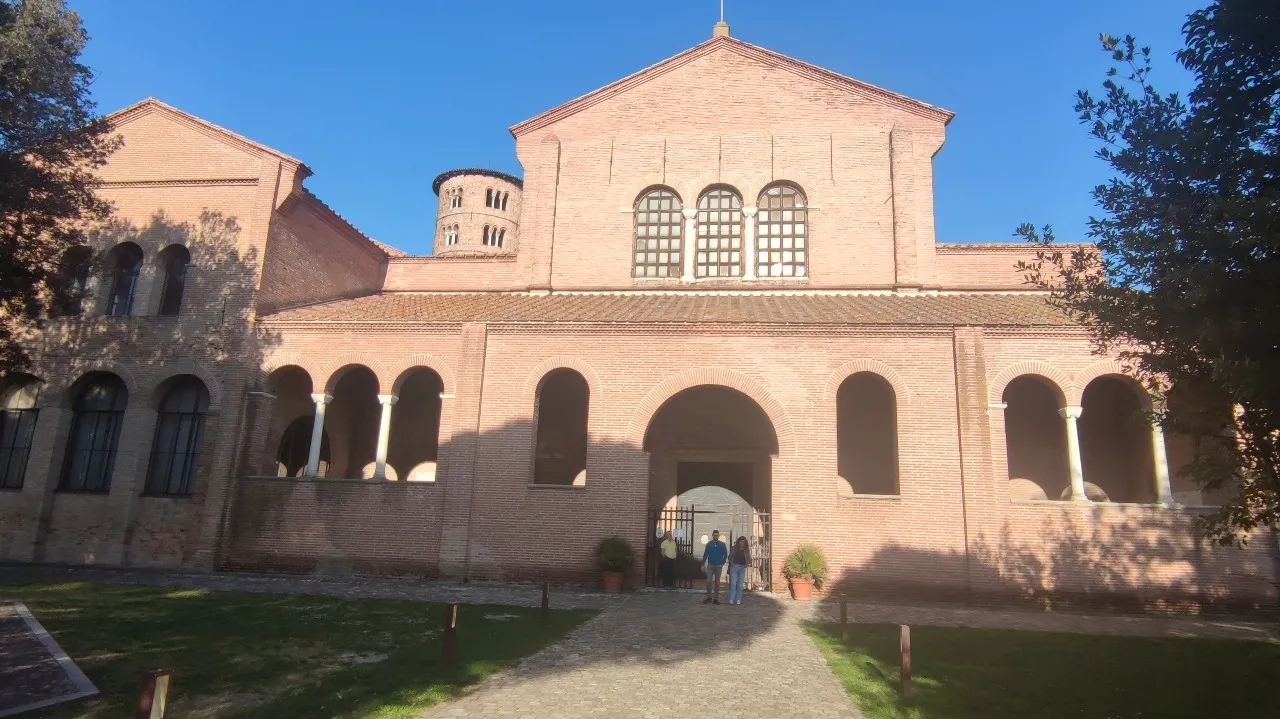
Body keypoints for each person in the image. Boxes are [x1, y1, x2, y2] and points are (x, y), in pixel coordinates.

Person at [701, 530, 728, 604]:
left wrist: (722, 562)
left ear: (718, 536)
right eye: (714, 535)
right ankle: (709, 597)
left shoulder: (722, 544)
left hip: (718, 565)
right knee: (708, 581)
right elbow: (705, 554)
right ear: (712, 535)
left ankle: (716, 598)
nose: (716, 536)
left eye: (717, 535)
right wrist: (702, 563)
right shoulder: (709, 544)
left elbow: (725, 554)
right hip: (711, 565)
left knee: (717, 582)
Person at [728, 536, 751, 605]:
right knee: (733, 583)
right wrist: (732, 563)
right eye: (741, 542)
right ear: (739, 542)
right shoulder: (734, 548)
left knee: (740, 584)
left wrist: (747, 564)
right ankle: (732, 599)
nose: (742, 543)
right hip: (734, 567)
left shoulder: (746, 550)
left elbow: (749, 558)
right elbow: (730, 557)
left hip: (742, 568)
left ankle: (738, 599)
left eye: (744, 542)